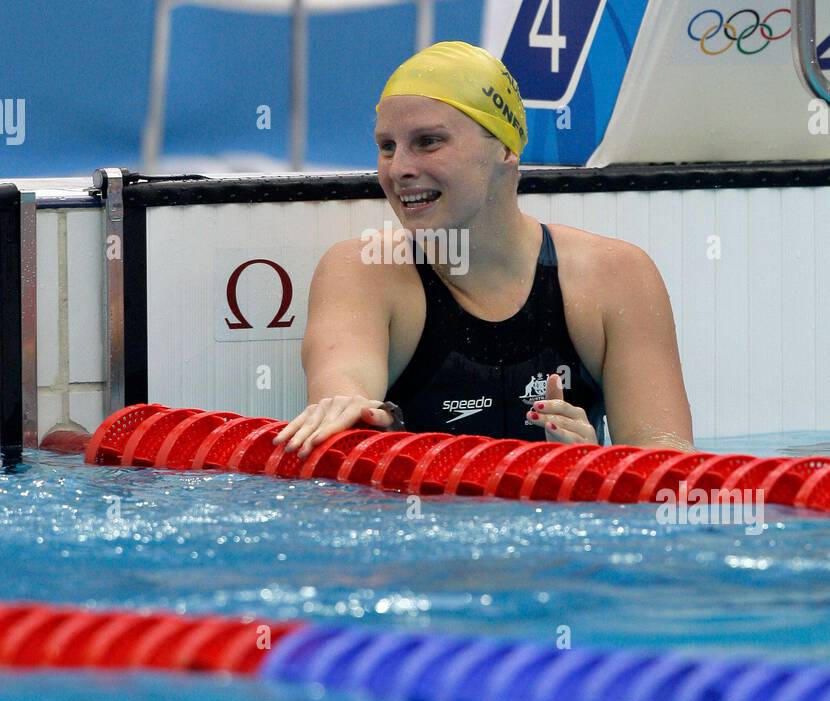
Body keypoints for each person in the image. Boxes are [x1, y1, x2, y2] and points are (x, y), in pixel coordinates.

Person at [274, 42, 694, 460]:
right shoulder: (365, 270)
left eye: (428, 141)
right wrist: (353, 414)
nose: (398, 167)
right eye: (387, 146)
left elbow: (669, 464)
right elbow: (343, 394)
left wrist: (590, 467)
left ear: (506, 148)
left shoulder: (615, 276)